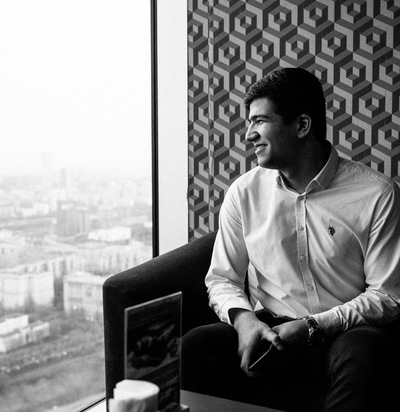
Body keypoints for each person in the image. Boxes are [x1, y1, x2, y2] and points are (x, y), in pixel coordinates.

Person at [182, 67, 400, 411]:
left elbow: (387, 295)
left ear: (301, 125)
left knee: (365, 354)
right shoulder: (244, 192)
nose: (249, 135)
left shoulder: (377, 194)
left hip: (343, 332)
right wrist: (245, 322)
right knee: (195, 347)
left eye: (260, 121)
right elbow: (222, 279)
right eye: (249, 123)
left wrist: (312, 327)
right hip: (268, 328)